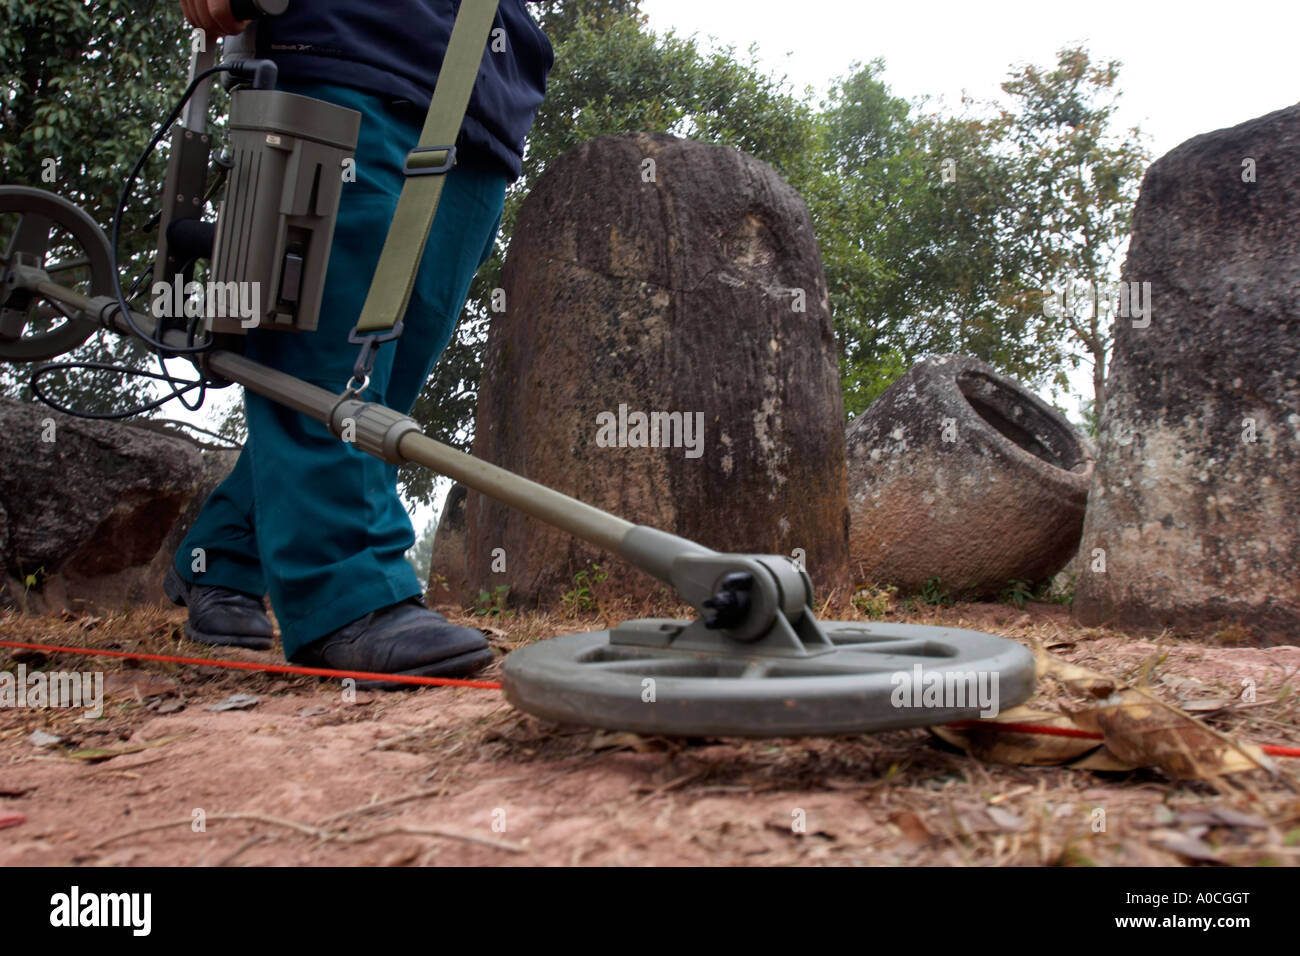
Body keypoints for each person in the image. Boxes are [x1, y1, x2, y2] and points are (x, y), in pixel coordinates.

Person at [164, 0, 553, 687]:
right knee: (325, 346)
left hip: (484, 90)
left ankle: (223, 554)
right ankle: (352, 595)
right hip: (346, 47)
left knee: (376, 384)